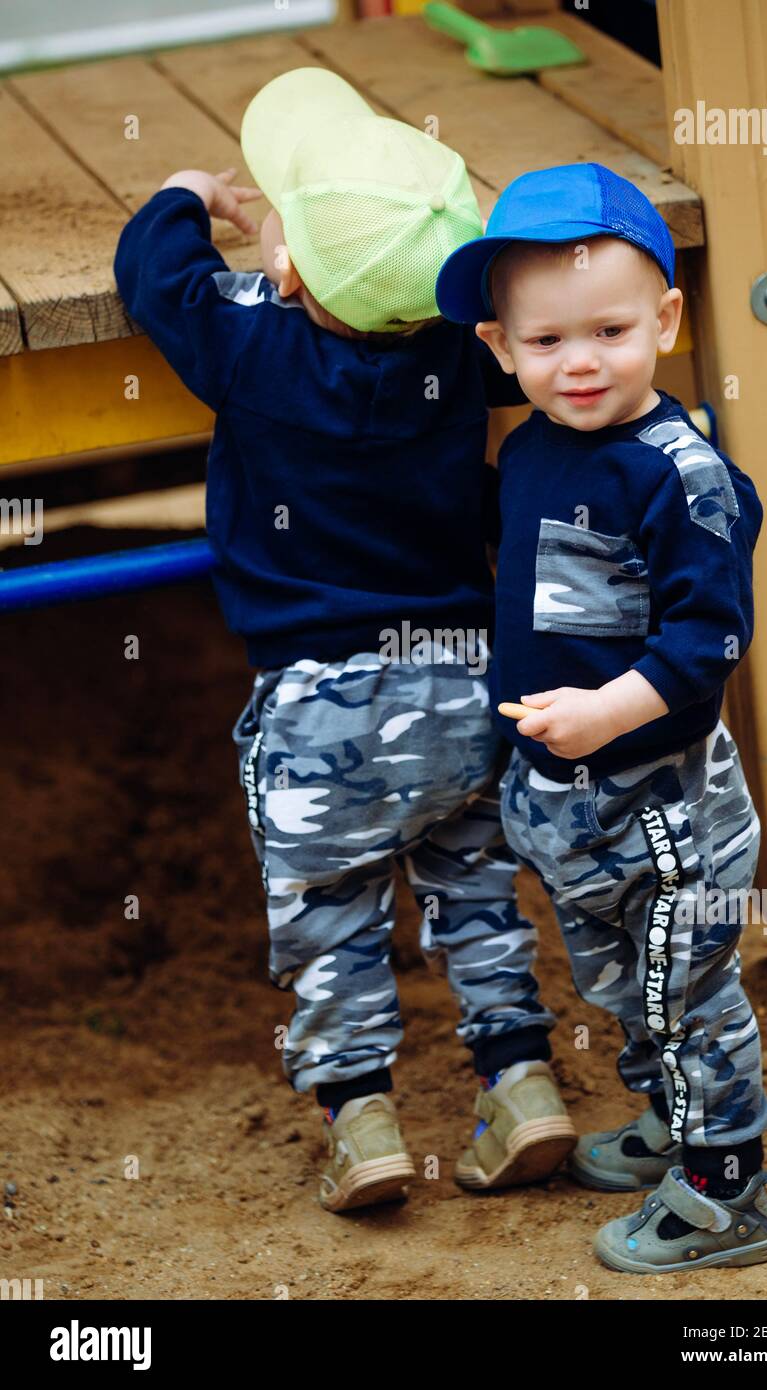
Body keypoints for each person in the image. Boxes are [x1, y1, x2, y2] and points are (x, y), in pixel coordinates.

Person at [113, 69, 576, 1215]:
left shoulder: (246, 343)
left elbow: (152, 275)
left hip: (321, 707)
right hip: (466, 693)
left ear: (283, 271)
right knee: (474, 891)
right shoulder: (463, 357)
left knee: (330, 920)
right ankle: (519, 1079)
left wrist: (185, 195)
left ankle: (360, 1117)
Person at [436, 161, 767, 1272]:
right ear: (498, 347)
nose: (577, 362)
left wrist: (607, 711)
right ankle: (668, 1129)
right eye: (544, 343)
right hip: (569, 798)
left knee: (685, 988)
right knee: (622, 982)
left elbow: (706, 639)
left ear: (666, 319)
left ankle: (727, 1187)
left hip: (660, 800)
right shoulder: (533, 448)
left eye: (608, 330)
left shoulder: (680, 481)